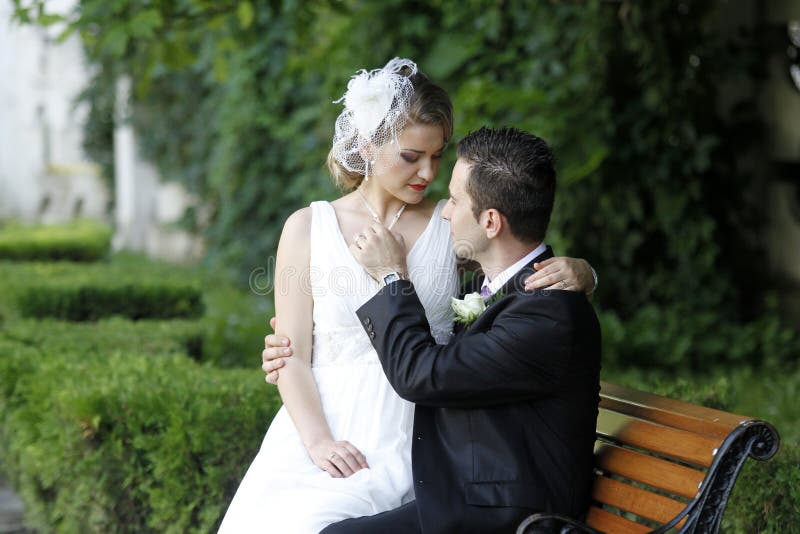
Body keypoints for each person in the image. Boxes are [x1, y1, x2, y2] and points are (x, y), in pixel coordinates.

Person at [220, 59, 595, 533]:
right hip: (324, 425)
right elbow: (291, 354)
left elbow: (512, 271)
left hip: (416, 427)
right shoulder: (306, 228)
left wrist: (584, 273)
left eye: (437, 157)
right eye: (412, 156)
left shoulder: (451, 221)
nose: (427, 172)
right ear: (368, 146)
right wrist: (318, 443)